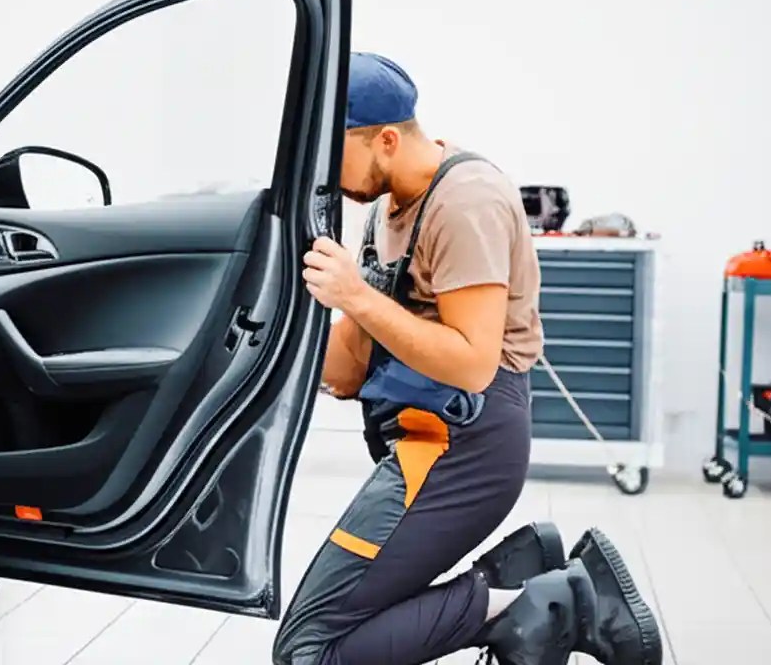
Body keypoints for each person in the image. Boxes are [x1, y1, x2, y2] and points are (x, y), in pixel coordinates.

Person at [271, 53, 662, 665]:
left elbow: (474, 361)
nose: (329, 179)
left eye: (334, 157)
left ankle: (552, 600)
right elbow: (349, 365)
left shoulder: (465, 202)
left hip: (469, 444)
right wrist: (269, 337)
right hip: (421, 444)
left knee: (309, 652)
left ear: (387, 140)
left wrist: (354, 295)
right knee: (316, 638)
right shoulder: (384, 209)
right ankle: (522, 581)